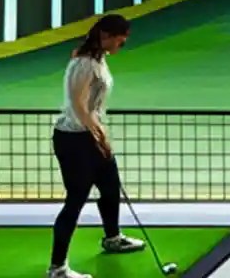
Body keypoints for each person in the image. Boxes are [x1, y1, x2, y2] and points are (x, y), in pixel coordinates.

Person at [48, 14, 146, 278]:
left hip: (91, 133)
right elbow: (78, 105)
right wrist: (97, 134)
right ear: (105, 36)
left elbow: (92, 106)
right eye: (120, 41)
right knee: (76, 199)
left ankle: (113, 238)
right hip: (74, 138)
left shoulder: (99, 59)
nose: (120, 46)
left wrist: (100, 133)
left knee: (110, 187)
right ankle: (57, 268)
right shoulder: (84, 64)